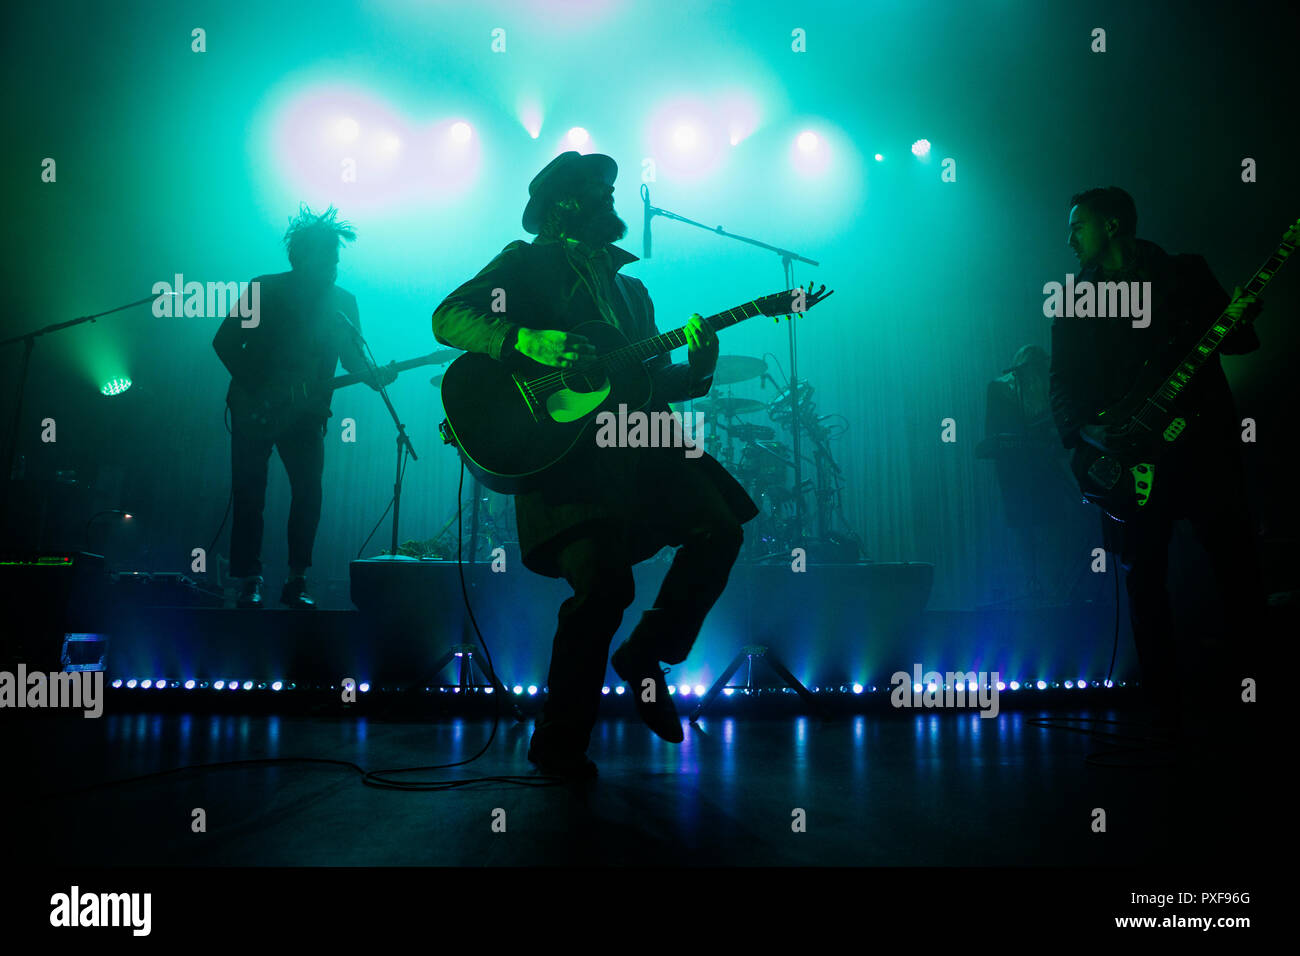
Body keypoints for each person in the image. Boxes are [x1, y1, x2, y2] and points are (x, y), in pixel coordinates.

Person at [432, 152, 758, 777]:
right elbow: (449, 315)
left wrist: (703, 366)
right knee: (605, 587)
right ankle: (559, 743)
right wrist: (523, 339)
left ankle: (646, 653)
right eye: (599, 191)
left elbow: (654, 384)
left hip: (640, 437)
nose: (612, 200)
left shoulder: (632, 290)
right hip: (566, 452)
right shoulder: (525, 264)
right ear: (565, 204)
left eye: (610, 190)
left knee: (719, 530)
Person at [1048, 186, 1263, 732]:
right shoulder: (1074, 298)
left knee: (1234, 564)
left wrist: (1241, 317)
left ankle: (1257, 692)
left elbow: (1239, 342)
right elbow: (1062, 380)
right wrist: (1086, 431)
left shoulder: (1185, 273)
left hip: (1201, 446)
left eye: (1079, 226)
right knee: (1144, 576)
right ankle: (1163, 704)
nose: (1069, 238)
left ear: (1113, 226)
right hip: (1128, 454)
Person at [213, 205, 394, 609]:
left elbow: (352, 358)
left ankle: (297, 579)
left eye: (336, 257)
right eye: (326, 255)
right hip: (253, 408)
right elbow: (224, 341)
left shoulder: (343, 302)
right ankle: (247, 579)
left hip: (308, 413)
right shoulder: (263, 289)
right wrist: (261, 389)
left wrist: (374, 375)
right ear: (302, 255)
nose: (333, 263)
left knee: (309, 493)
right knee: (249, 493)